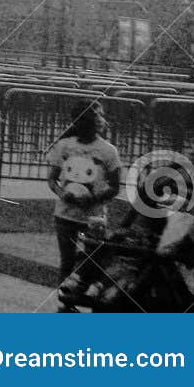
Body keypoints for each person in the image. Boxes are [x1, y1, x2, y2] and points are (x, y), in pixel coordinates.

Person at [46, 101, 123, 285]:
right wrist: (62, 193)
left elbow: (115, 186)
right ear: (81, 121)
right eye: (96, 116)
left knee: (93, 262)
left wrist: (94, 198)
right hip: (65, 214)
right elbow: (52, 179)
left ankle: (88, 297)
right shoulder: (64, 146)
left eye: (101, 116)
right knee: (67, 262)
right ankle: (66, 303)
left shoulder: (108, 151)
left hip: (94, 217)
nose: (101, 120)